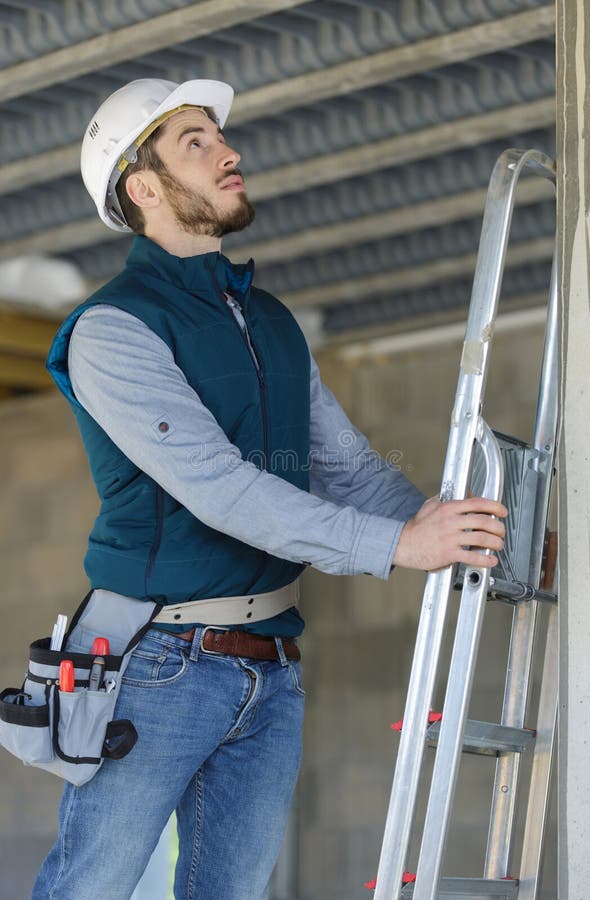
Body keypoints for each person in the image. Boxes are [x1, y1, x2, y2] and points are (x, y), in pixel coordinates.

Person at [33, 78, 506, 900]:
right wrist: (398, 547)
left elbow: (348, 469)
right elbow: (224, 491)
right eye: (195, 141)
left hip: (272, 666)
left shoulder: (270, 320)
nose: (230, 151)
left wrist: (445, 526)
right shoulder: (115, 330)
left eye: (219, 136)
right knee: (91, 890)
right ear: (143, 188)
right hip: (155, 664)